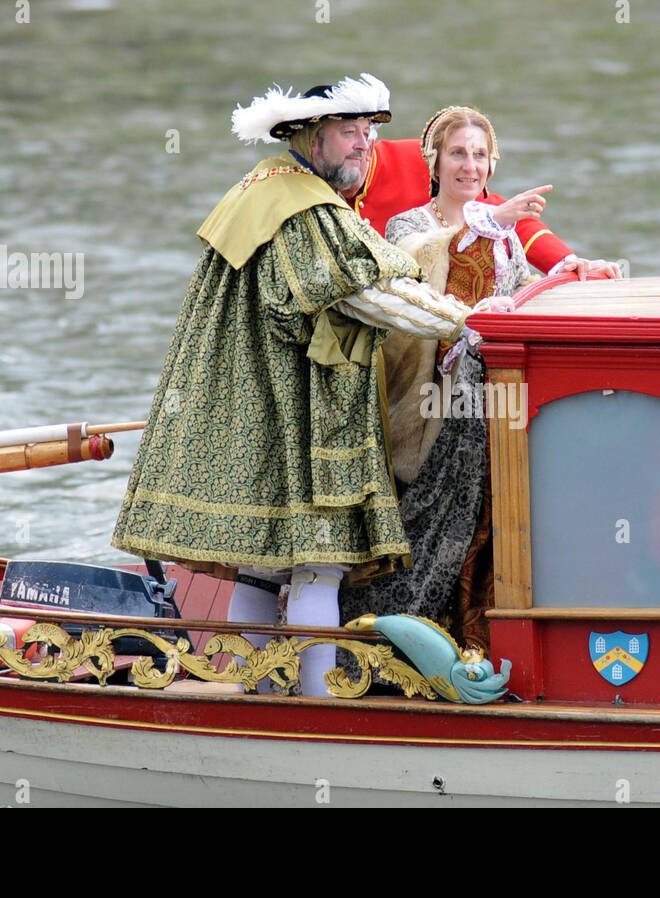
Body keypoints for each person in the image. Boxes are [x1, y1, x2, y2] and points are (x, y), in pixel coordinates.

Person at [111, 74, 483, 695]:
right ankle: (313, 703)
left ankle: (261, 695)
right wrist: (472, 322)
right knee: (317, 569)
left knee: (260, 571)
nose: (364, 146)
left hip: (250, 407)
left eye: (369, 134)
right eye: (349, 132)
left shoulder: (260, 189)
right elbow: (376, 295)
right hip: (294, 415)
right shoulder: (302, 207)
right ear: (308, 135)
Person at [339, 106, 536, 653]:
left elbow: (524, 296)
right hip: (432, 402)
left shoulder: (506, 237)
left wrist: (573, 273)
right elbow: (417, 274)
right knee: (433, 519)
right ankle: (390, 645)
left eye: (479, 155)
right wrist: (485, 226)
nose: (468, 166)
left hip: (496, 401)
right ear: (435, 161)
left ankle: (489, 640)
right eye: (457, 153)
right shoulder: (409, 226)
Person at [343, 127, 622, 280]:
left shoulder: (416, 159)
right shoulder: (304, 182)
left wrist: (565, 261)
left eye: (360, 135)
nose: (356, 149)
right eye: (344, 136)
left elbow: (496, 211)